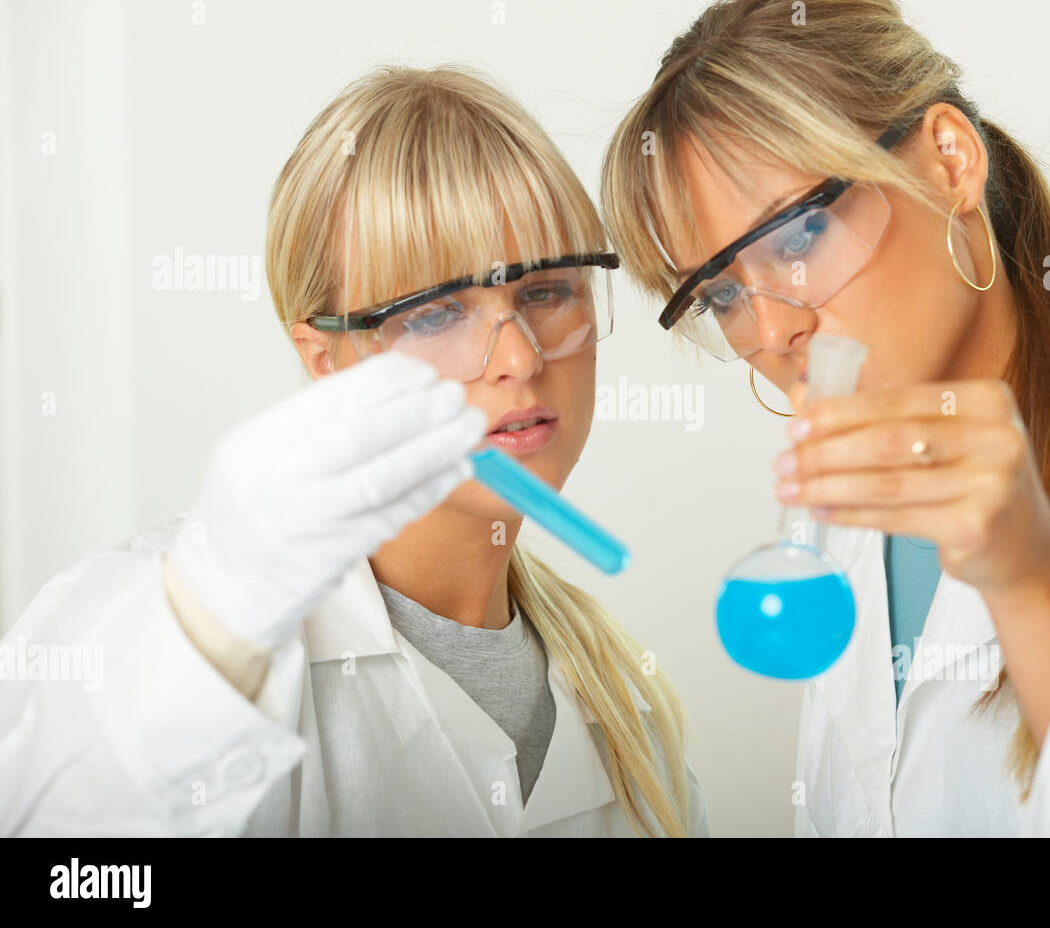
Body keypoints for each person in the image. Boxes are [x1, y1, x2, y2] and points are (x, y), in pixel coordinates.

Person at [599, 0, 1050, 836]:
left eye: (799, 235)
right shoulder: (845, 534)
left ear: (949, 161)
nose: (774, 328)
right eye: (721, 297)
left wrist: (1034, 577)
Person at [0, 65, 706, 837]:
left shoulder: (628, 703)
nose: (519, 360)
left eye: (544, 292)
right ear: (325, 360)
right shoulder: (161, 623)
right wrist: (212, 626)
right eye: (437, 313)